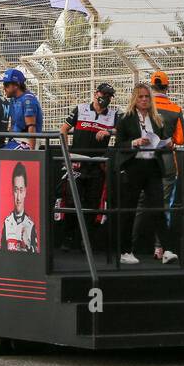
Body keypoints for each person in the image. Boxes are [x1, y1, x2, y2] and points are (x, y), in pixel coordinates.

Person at [113, 85, 177, 265]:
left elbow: (164, 140)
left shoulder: (157, 119)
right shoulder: (125, 119)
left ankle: (167, 249)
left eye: (147, 97)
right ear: (135, 98)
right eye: (140, 97)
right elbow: (118, 145)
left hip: (152, 167)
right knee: (129, 210)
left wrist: (168, 145)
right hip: (133, 167)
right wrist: (135, 142)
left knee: (158, 208)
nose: (144, 100)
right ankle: (125, 251)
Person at [58, 83, 118, 249]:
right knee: (72, 200)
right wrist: (66, 152)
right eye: (103, 94)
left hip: (97, 164)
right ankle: (68, 238)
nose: (106, 98)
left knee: (93, 202)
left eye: (109, 95)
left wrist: (109, 132)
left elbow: (125, 131)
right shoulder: (81, 108)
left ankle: (87, 241)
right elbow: (63, 129)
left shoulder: (114, 115)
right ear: (96, 93)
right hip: (77, 162)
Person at [1, 161, 38, 252]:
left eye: (21, 190)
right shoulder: (7, 222)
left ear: (25, 191)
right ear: (12, 191)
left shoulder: (31, 224)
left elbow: (37, 259)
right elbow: (1, 255)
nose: (18, 197)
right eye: (16, 190)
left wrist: (27, 245)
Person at [1, 68, 42, 149]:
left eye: (6, 85)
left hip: (27, 141)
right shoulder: (13, 99)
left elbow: (31, 127)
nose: (4, 88)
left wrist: (32, 151)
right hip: (15, 140)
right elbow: (13, 124)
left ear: (16, 85)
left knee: (1, 158)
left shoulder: (28, 100)